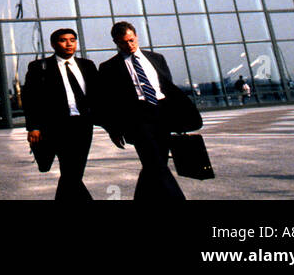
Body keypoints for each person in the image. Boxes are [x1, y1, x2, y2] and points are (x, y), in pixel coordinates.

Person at [99, 21, 201, 201]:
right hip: (137, 117)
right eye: (123, 42)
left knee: (156, 163)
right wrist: (114, 130)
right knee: (155, 162)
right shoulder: (109, 67)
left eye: (131, 40)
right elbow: (108, 103)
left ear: (136, 37)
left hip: (162, 112)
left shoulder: (156, 58)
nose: (129, 45)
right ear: (116, 42)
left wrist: (177, 117)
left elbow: (167, 88)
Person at [21, 28, 101, 202]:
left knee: (73, 172)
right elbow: (30, 98)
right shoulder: (39, 67)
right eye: (63, 40)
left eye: (72, 40)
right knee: (71, 172)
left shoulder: (87, 65)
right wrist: (33, 126)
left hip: (83, 125)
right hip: (56, 126)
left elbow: (98, 95)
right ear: (53, 44)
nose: (69, 44)